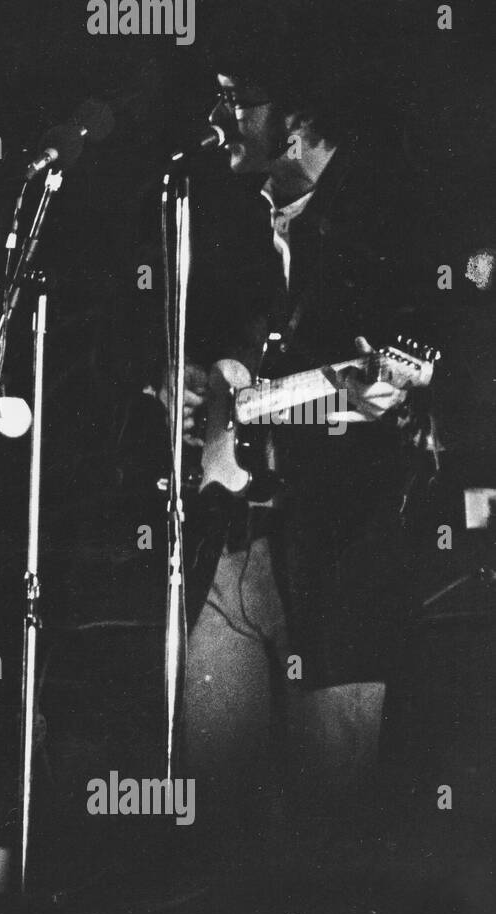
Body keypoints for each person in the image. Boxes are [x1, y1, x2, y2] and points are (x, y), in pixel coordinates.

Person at [163, 6, 438, 845]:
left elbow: (391, 386)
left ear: (300, 119)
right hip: (234, 537)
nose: (219, 120)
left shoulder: (385, 215)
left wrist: (256, 401)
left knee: (330, 831)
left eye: (236, 100)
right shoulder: (235, 223)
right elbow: (235, 368)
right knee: (212, 814)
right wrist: (196, 388)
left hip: (338, 550)